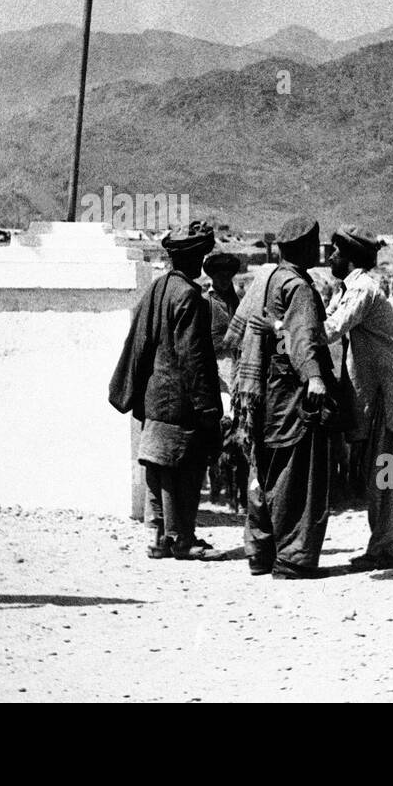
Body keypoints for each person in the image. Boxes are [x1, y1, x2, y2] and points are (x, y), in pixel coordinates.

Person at [227, 216, 334, 579]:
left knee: (263, 467)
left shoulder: (268, 278)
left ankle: (259, 552)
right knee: (298, 473)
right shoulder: (300, 288)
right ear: (305, 248)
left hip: (263, 391)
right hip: (291, 394)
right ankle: (293, 558)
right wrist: (315, 378)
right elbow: (303, 338)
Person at [110, 222, 224, 561]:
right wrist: (208, 408)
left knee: (158, 468)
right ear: (196, 258)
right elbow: (194, 358)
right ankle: (182, 539)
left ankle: (159, 537)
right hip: (180, 399)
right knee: (183, 468)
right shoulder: (188, 295)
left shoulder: (158, 288)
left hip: (154, 395)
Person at [320, 226, 393, 571]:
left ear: (348, 256)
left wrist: (284, 331)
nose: (330, 257)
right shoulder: (350, 287)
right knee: (382, 469)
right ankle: (384, 544)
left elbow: (331, 329)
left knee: (391, 470)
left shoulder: (362, 287)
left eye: (335, 251)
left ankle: (387, 549)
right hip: (383, 386)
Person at [203, 251, 241, 391]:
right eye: (221, 277)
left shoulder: (234, 301)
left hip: (235, 360)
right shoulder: (206, 301)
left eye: (228, 277)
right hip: (215, 361)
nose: (225, 280)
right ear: (213, 277)